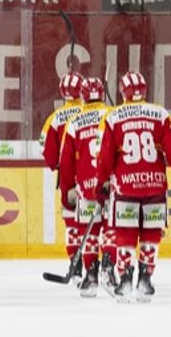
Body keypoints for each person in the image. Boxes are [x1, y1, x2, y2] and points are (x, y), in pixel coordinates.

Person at [95, 71, 171, 303]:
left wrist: (101, 181)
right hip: (154, 184)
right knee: (151, 232)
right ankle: (145, 278)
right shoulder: (160, 114)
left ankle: (124, 279)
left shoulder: (113, 117)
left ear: (122, 92)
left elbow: (105, 155)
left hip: (126, 186)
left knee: (125, 233)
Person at [57, 77, 112, 297]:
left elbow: (66, 160)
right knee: (111, 229)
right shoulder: (112, 115)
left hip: (86, 186)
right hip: (109, 185)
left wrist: (67, 188)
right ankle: (109, 268)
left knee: (88, 234)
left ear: (83, 96)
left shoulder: (74, 122)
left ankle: (90, 276)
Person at [40, 72, 85, 272]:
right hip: (91, 175)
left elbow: (47, 153)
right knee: (96, 222)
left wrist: (57, 165)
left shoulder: (55, 118)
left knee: (72, 224)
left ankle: (75, 265)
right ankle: (97, 266)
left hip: (68, 178)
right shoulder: (91, 112)